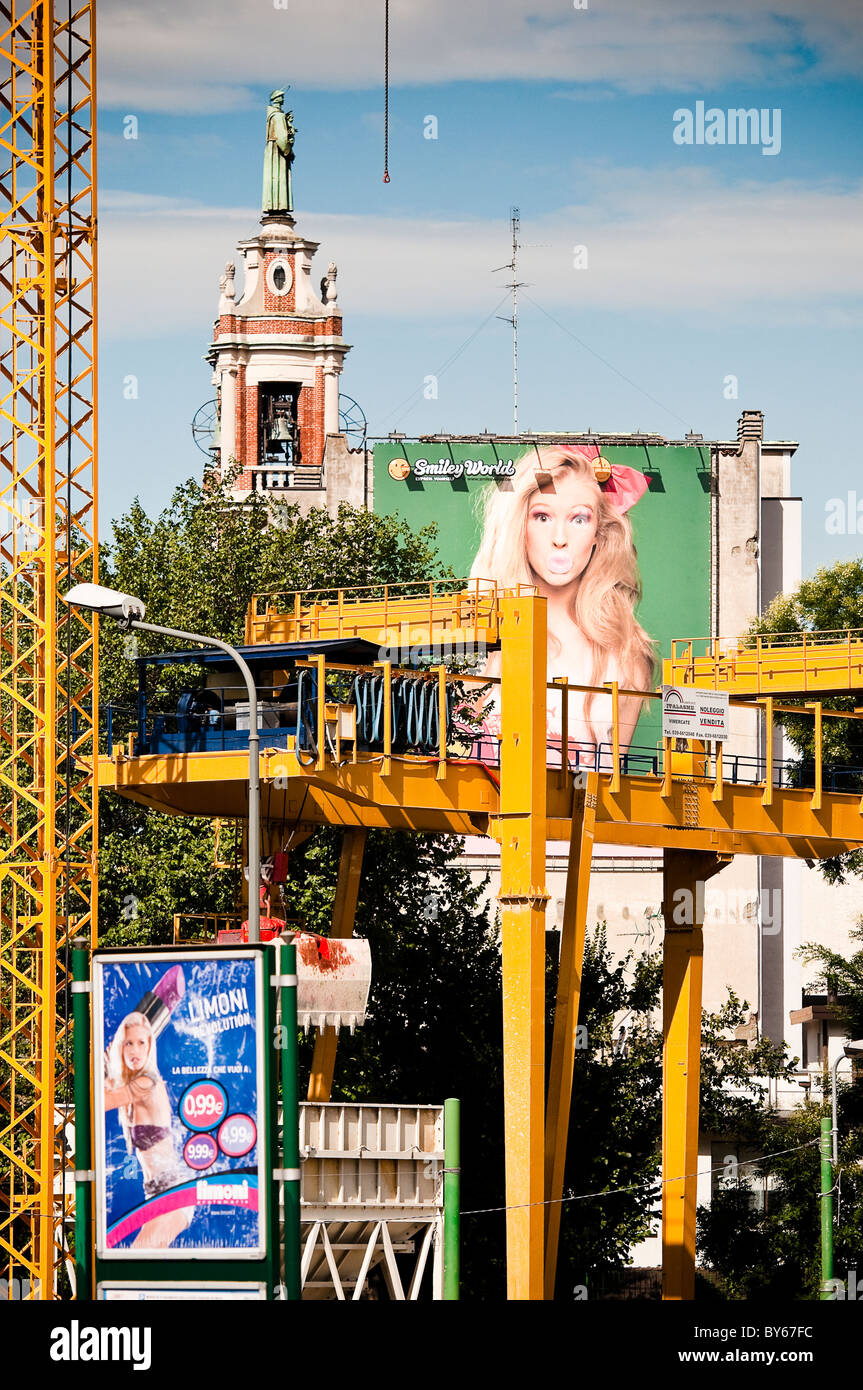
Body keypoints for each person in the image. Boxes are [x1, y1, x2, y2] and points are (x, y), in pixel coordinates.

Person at [469, 445, 656, 769]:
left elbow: (610, 786)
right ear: (520, 525)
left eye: (578, 518)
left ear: (599, 532)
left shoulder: (628, 654)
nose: (559, 538)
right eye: (542, 516)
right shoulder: (477, 633)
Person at [104, 1012, 193, 1249]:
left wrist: (106, 1070)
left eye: (141, 1043)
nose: (135, 1050)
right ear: (121, 1047)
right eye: (129, 1043)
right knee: (146, 1266)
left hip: (173, 1191)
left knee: (138, 1259)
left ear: (149, 1046)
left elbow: (102, 1101)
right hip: (155, 1193)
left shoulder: (147, 1082)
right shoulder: (131, 1081)